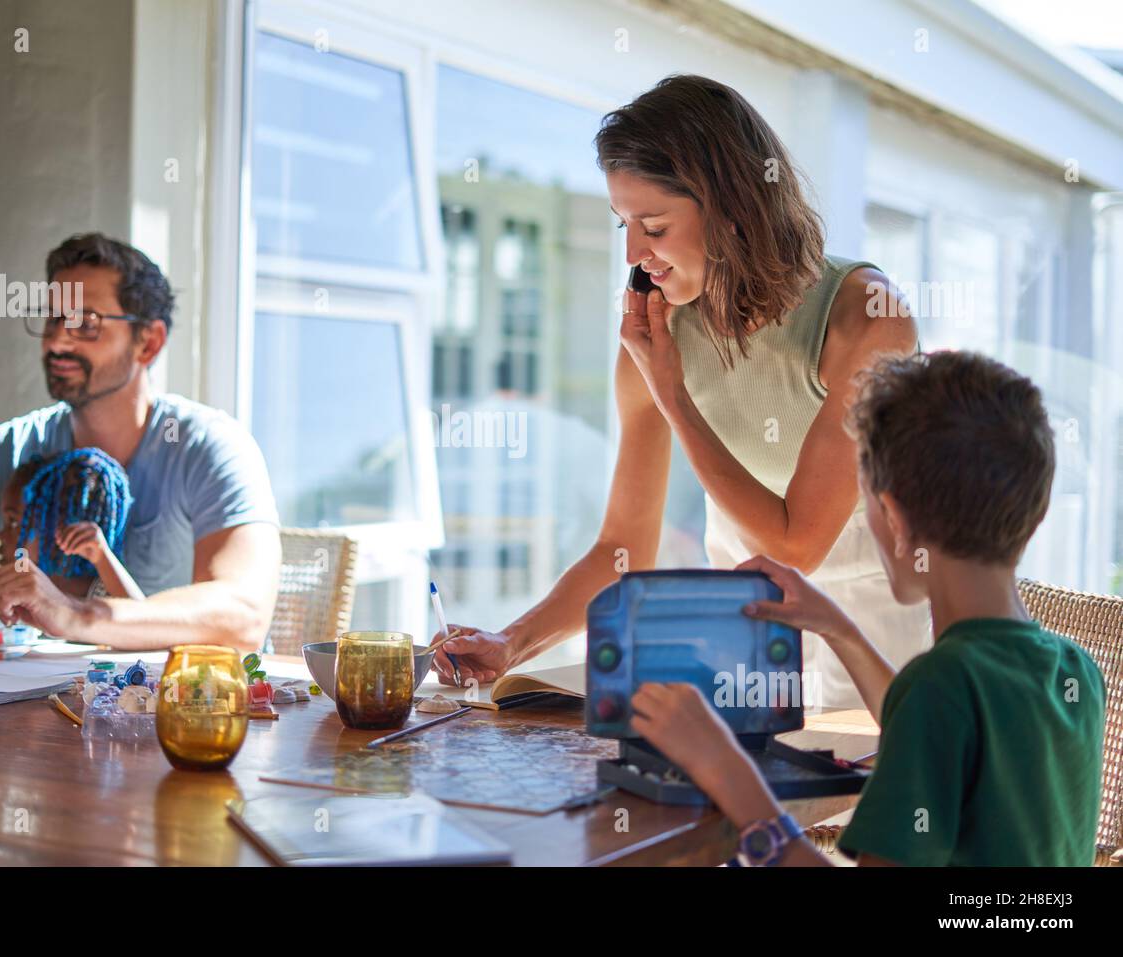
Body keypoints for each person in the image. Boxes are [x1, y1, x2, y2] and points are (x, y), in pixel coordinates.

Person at [433, 74, 928, 709]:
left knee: (858, 805)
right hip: (742, 617)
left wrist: (672, 392)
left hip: (871, 617)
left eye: (656, 226)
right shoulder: (660, 326)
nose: (637, 254)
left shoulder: (867, 317)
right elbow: (622, 549)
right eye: (624, 227)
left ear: (731, 212)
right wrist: (511, 641)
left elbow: (797, 544)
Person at [633, 351, 1105, 866]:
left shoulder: (940, 688)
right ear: (1033, 512)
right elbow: (942, 737)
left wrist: (722, 767)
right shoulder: (1072, 672)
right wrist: (840, 630)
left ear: (895, 520)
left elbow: (933, 718)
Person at [0, 233, 281, 652]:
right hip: (47, 717)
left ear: (148, 343)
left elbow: (242, 616)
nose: (57, 341)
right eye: (53, 319)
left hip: (188, 721)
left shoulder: (210, 448)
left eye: (86, 323)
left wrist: (77, 615)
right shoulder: (11, 450)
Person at [0, 448, 143, 627]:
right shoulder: (20, 583)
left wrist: (102, 556)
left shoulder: (101, 590)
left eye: (14, 522)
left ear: (60, 530)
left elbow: (142, 622)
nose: (1, 534)